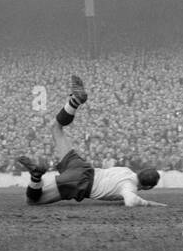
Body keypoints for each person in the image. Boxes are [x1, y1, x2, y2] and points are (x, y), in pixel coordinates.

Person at [17, 75, 163, 207]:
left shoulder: (126, 172)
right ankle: (36, 177)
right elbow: (130, 201)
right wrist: (150, 204)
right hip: (80, 183)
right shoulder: (128, 186)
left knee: (56, 128)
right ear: (148, 187)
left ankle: (74, 102)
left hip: (83, 168)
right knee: (32, 201)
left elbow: (116, 190)